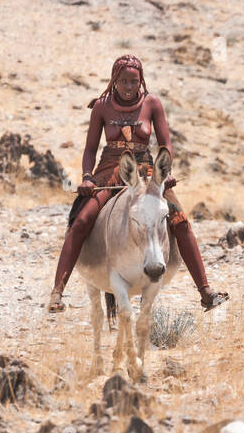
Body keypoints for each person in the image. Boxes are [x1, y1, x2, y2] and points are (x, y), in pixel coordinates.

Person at [48, 54, 229, 312]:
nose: (129, 87)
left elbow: (166, 143)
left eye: (134, 81)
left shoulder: (152, 103)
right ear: (114, 80)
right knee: (82, 221)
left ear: (141, 80)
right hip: (109, 171)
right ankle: (57, 292)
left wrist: (164, 173)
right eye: (123, 81)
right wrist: (87, 176)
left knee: (180, 221)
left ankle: (205, 291)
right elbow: (90, 149)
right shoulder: (101, 106)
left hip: (146, 171)